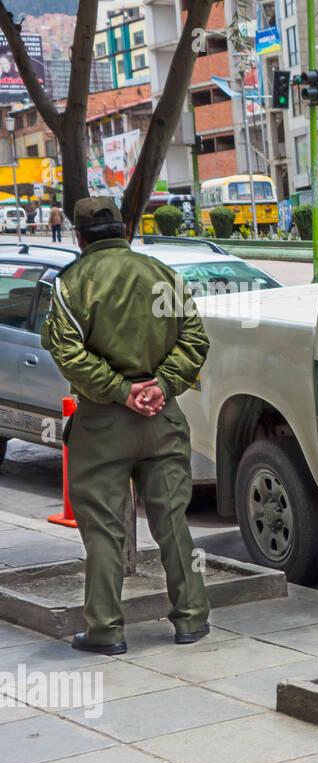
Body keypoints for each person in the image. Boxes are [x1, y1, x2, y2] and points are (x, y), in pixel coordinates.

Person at [42, 198, 211, 656]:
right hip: (163, 419)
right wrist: (159, 387)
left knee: (102, 530)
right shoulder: (164, 275)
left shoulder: (70, 285)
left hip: (102, 427)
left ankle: (106, 630)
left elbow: (69, 355)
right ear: (126, 229)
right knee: (172, 520)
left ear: (78, 236)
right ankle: (192, 619)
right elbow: (196, 339)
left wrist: (121, 391)